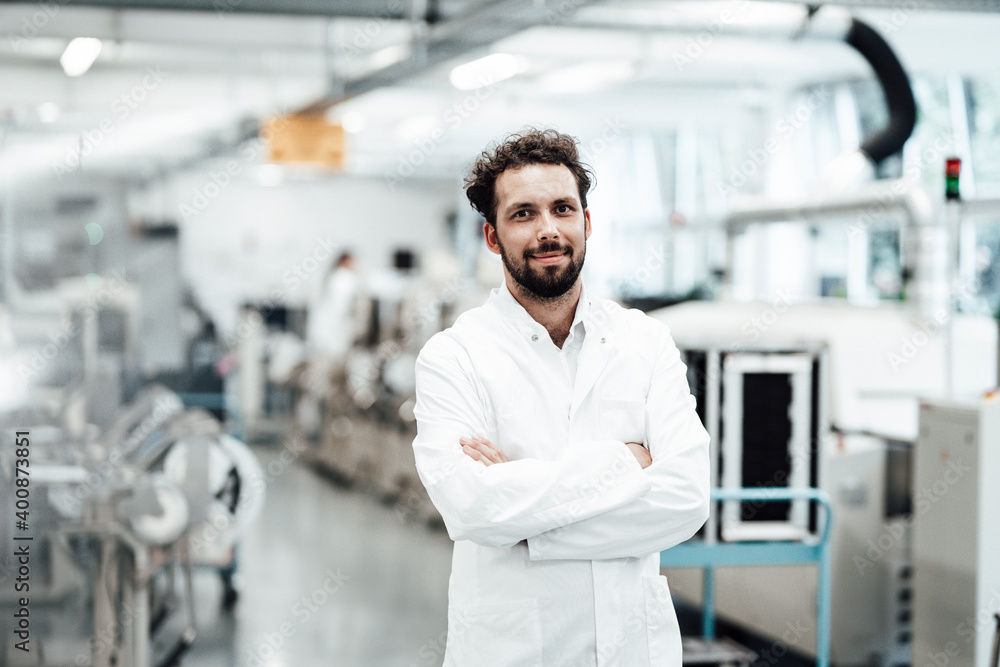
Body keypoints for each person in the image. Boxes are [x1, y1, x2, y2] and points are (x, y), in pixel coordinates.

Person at [412, 128, 710, 666]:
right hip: (514, 651)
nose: (548, 229)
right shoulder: (454, 357)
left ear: (587, 222)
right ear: (493, 237)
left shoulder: (644, 340)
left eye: (563, 208)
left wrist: (532, 533)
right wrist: (624, 463)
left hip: (632, 648)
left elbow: (686, 499)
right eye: (523, 213)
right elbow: (474, 508)